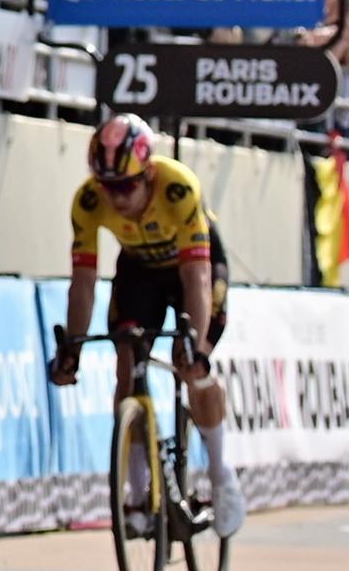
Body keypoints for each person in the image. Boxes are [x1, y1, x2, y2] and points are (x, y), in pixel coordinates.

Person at [49, 114, 245, 540]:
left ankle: (220, 472)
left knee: (193, 366)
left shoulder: (177, 188)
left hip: (192, 266)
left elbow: (197, 278)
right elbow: (82, 285)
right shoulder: (87, 201)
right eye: (107, 187)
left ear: (148, 173)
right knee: (126, 363)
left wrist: (195, 342)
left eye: (126, 187)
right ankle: (137, 496)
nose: (116, 198)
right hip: (139, 270)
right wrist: (73, 350)